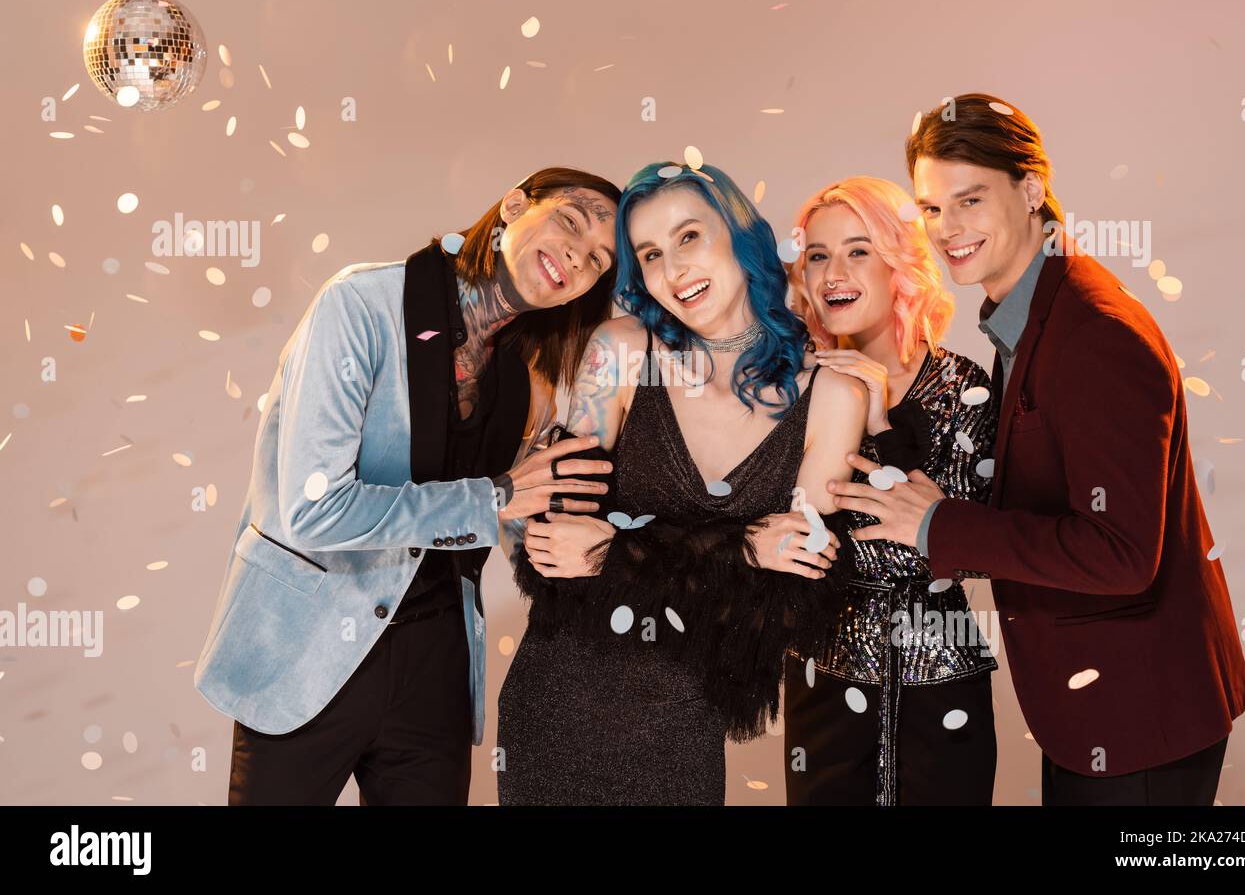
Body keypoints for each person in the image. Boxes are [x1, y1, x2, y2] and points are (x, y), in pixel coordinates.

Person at [836, 94, 1245, 805]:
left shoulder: (1096, 332)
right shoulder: (1029, 313)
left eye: (970, 199)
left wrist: (941, 525)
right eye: (932, 208)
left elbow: (1121, 553)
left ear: (1031, 188)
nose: (948, 229)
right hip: (1096, 712)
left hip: (1140, 717)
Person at [194, 167, 622, 804]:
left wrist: (596, 536)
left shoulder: (524, 376)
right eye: (569, 221)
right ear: (513, 206)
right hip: (306, 645)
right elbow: (316, 510)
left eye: (598, 259)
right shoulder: (359, 307)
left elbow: (513, 527)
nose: (577, 256)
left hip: (436, 665)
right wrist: (497, 495)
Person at [496, 162, 868, 804]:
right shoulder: (620, 352)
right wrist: (744, 549)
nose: (673, 270)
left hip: (682, 729)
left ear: (738, 234)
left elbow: (778, 608)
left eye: (689, 237)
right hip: (554, 704)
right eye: (649, 254)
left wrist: (614, 552)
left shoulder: (834, 395)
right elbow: (551, 550)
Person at [781, 175, 998, 805]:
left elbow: (965, 544)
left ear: (897, 262)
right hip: (824, 676)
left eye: (857, 250)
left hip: (942, 678)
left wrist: (880, 422)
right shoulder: (793, 389)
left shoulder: (965, 386)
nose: (833, 273)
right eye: (817, 255)